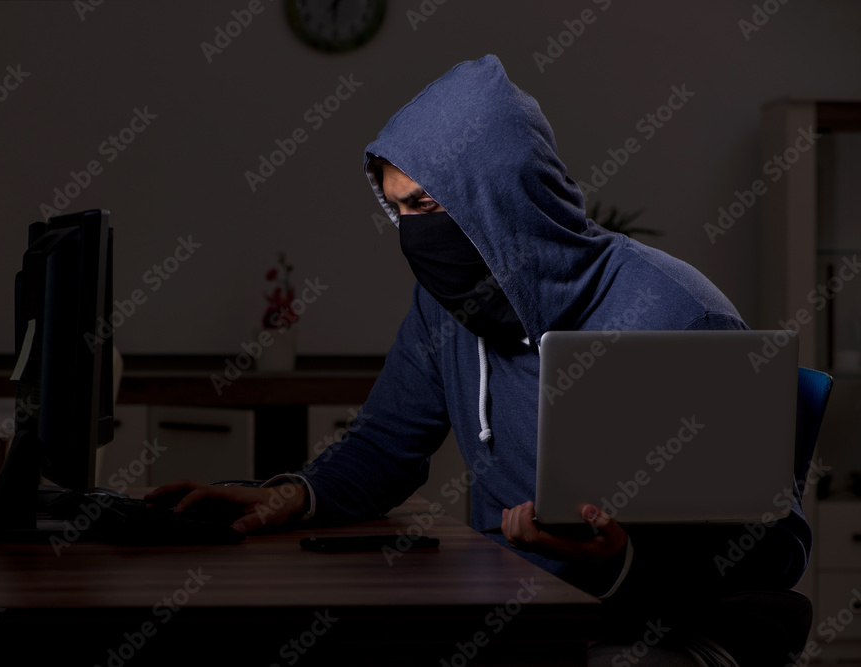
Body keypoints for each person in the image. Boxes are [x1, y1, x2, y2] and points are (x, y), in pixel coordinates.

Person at [150, 55, 811, 665]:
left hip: (667, 621)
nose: (414, 232)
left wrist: (626, 557)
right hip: (519, 611)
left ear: (501, 196)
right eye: (400, 208)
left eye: (429, 204)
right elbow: (384, 445)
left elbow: (775, 547)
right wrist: (289, 495)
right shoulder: (447, 305)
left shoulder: (680, 315)